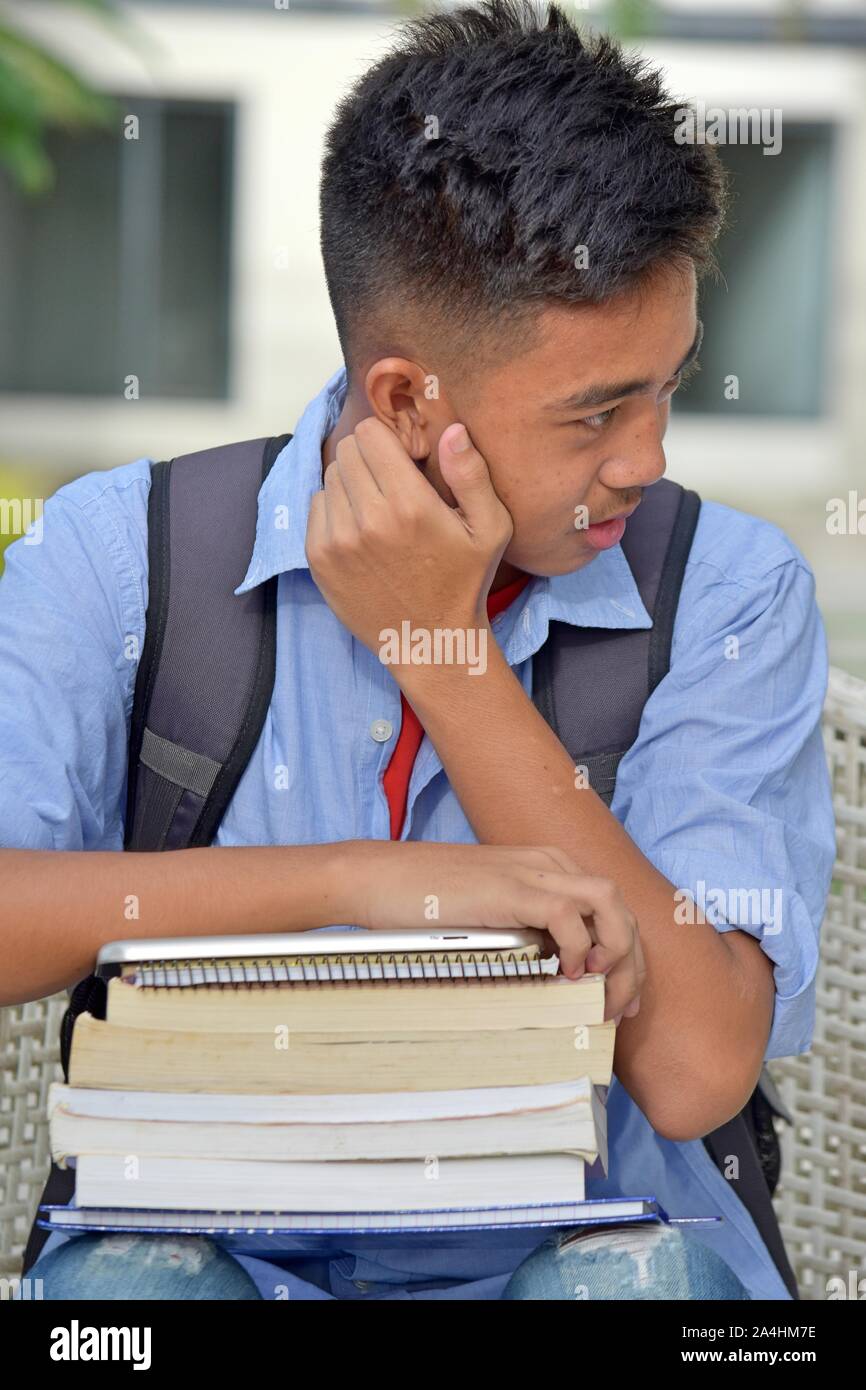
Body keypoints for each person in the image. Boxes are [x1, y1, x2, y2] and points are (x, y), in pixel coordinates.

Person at [3, 1, 834, 1300]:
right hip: (205, 1249)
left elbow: (693, 1070)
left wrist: (443, 650)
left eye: (668, 382)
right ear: (404, 397)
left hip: (605, 1256)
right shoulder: (125, 554)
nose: (646, 458)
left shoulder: (725, 592)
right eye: (595, 412)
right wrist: (351, 879)